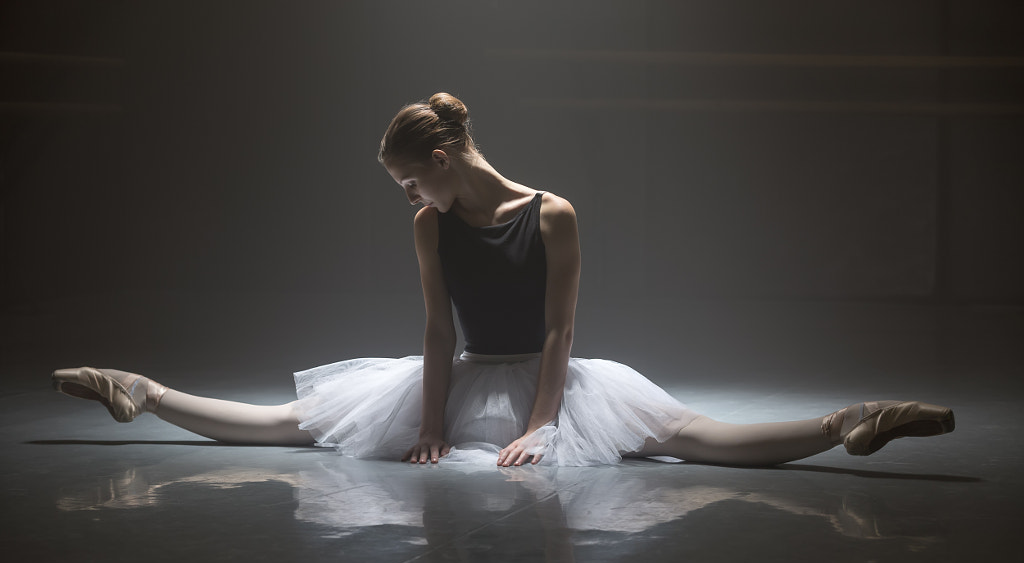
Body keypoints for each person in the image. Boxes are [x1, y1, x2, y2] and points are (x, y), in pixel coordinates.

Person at [52, 93, 955, 467]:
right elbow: (440, 336)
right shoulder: (430, 224)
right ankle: (143, 387)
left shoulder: (552, 213)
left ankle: (848, 419)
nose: (409, 196)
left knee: (692, 433)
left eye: (412, 179)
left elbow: (559, 334)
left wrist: (544, 423)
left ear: (443, 157)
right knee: (296, 424)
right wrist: (435, 423)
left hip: (551, 380)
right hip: (466, 374)